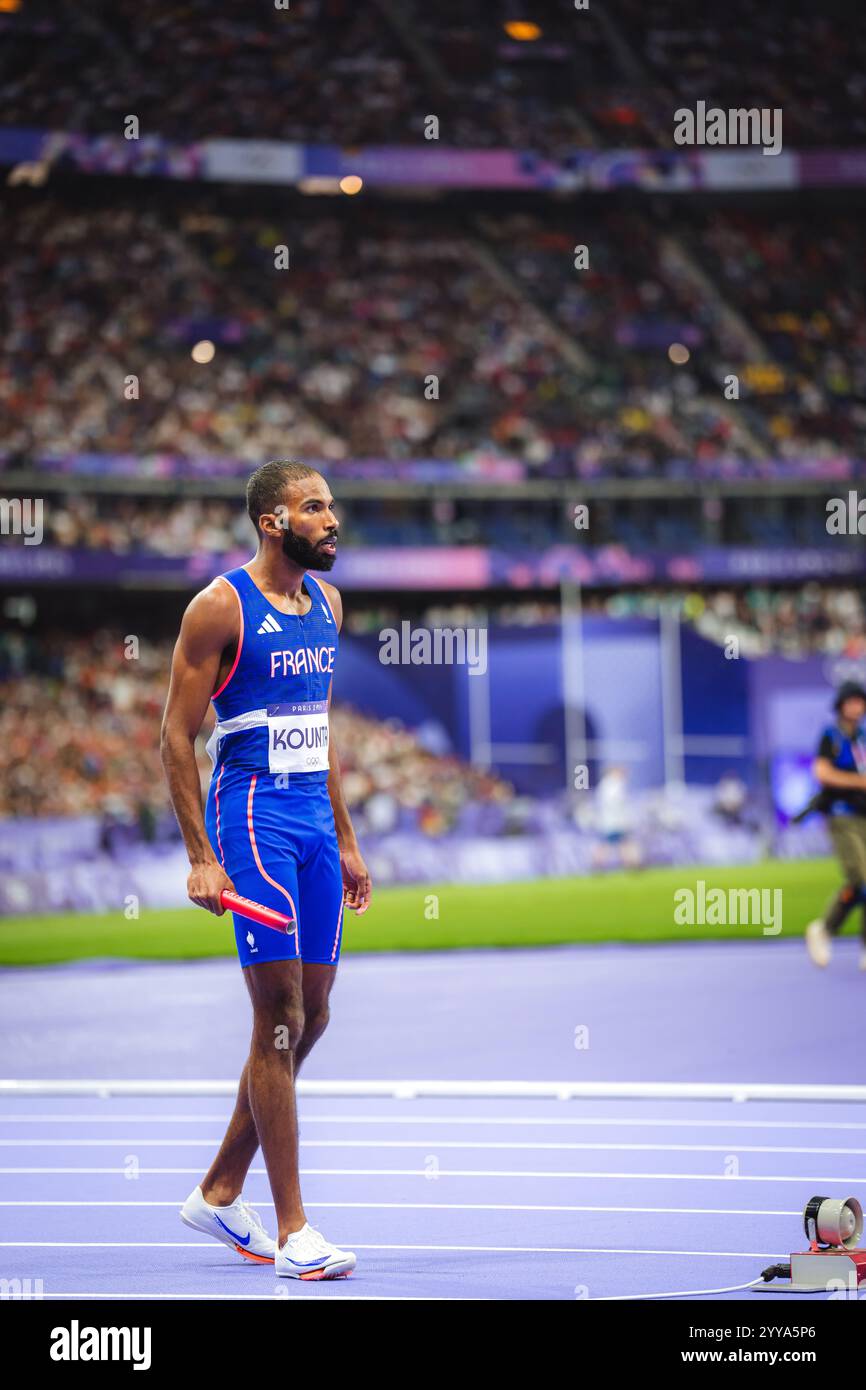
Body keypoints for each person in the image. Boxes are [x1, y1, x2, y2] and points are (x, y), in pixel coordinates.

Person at [160, 459, 371, 1279]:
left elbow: (317, 730)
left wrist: (347, 838)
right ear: (272, 520)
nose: (332, 519)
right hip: (250, 819)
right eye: (315, 507)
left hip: (315, 822)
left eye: (331, 505)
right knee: (277, 1015)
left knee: (312, 1017)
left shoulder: (328, 602)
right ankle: (294, 1233)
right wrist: (200, 859)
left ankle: (217, 1189)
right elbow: (176, 737)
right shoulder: (220, 606)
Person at [805, 680, 866, 970]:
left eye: (860, 701)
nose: (857, 707)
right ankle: (831, 930)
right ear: (841, 705)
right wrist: (857, 782)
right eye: (852, 701)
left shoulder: (863, 736)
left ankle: (825, 929)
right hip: (843, 815)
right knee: (863, 878)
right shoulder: (832, 736)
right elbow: (822, 772)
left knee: (861, 885)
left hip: (864, 813)